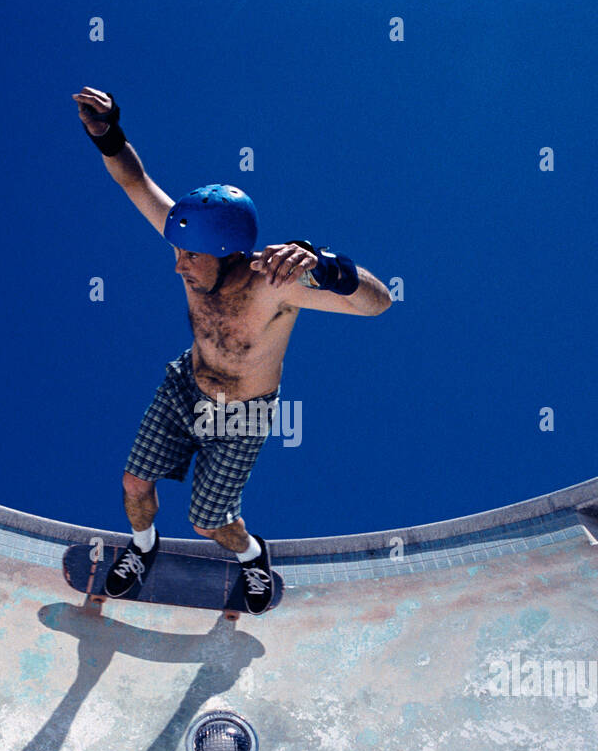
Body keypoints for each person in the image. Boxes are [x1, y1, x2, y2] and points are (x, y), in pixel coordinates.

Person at [73, 86, 392, 614]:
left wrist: (331, 267)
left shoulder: (275, 282)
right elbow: (134, 180)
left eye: (191, 259)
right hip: (185, 388)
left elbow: (376, 304)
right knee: (134, 480)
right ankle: (143, 548)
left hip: (245, 413)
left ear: (226, 253)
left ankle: (252, 558)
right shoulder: (190, 236)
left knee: (210, 520)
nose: (179, 268)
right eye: (178, 254)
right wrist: (108, 135)